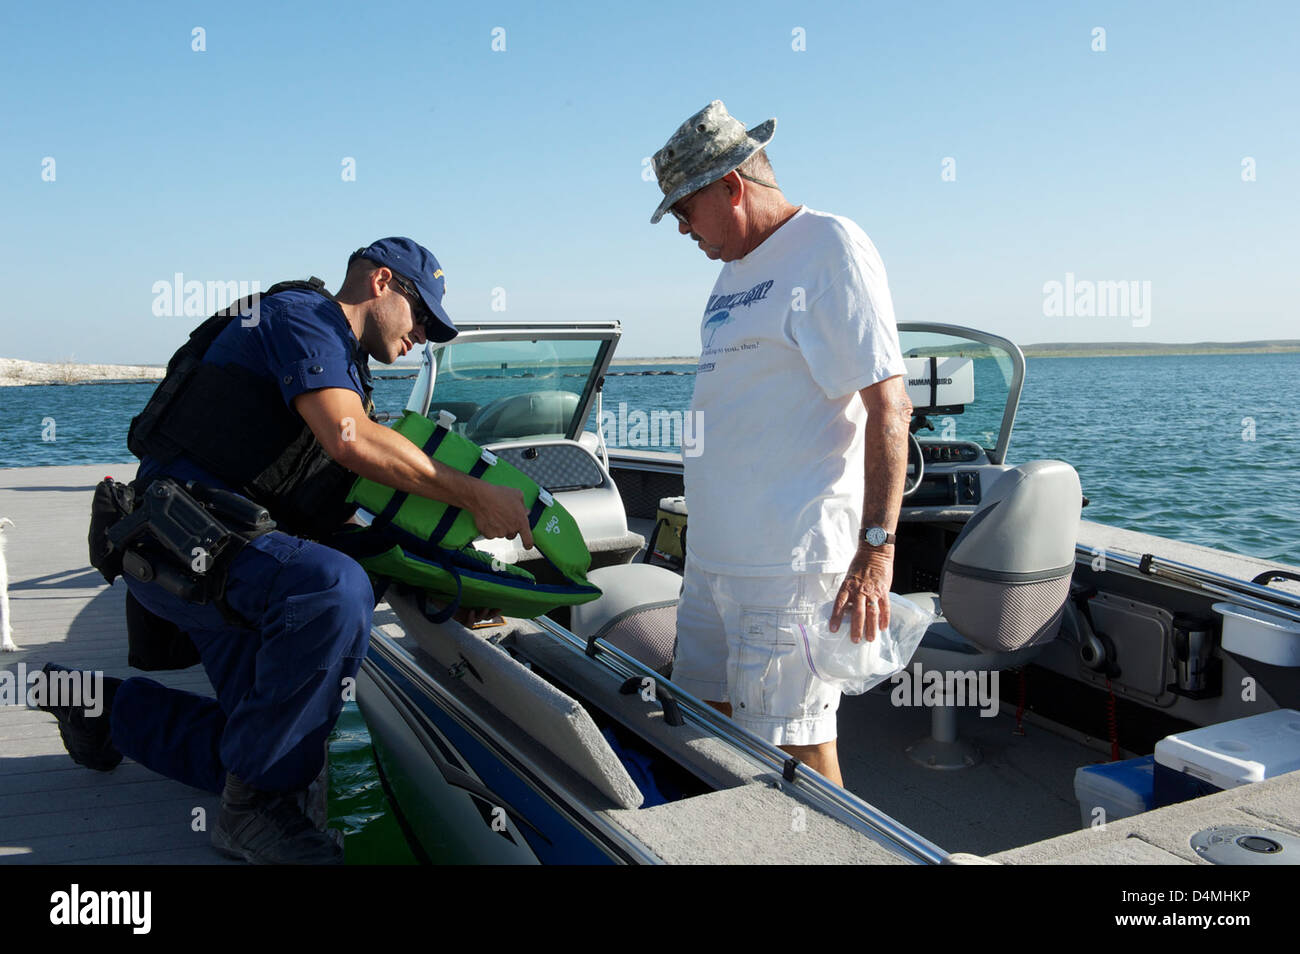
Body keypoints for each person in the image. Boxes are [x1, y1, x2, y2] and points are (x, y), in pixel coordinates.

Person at [40, 237, 534, 863]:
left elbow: (343, 502)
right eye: (424, 318)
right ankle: (251, 815)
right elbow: (351, 442)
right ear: (382, 283)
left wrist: (452, 586)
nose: (424, 339)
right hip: (183, 548)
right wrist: (474, 496)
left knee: (266, 748)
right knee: (334, 588)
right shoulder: (304, 317)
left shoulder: (339, 362)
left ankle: (100, 710)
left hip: (226, 559)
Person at [649, 102, 913, 785]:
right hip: (713, 562)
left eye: (685, 208)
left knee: (794, 751)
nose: (682, 228)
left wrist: (875, 553)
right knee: (702, 722)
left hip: (787, 568)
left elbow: (890, 406)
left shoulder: (829, 248)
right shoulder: (730, 273)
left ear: (732, 186)